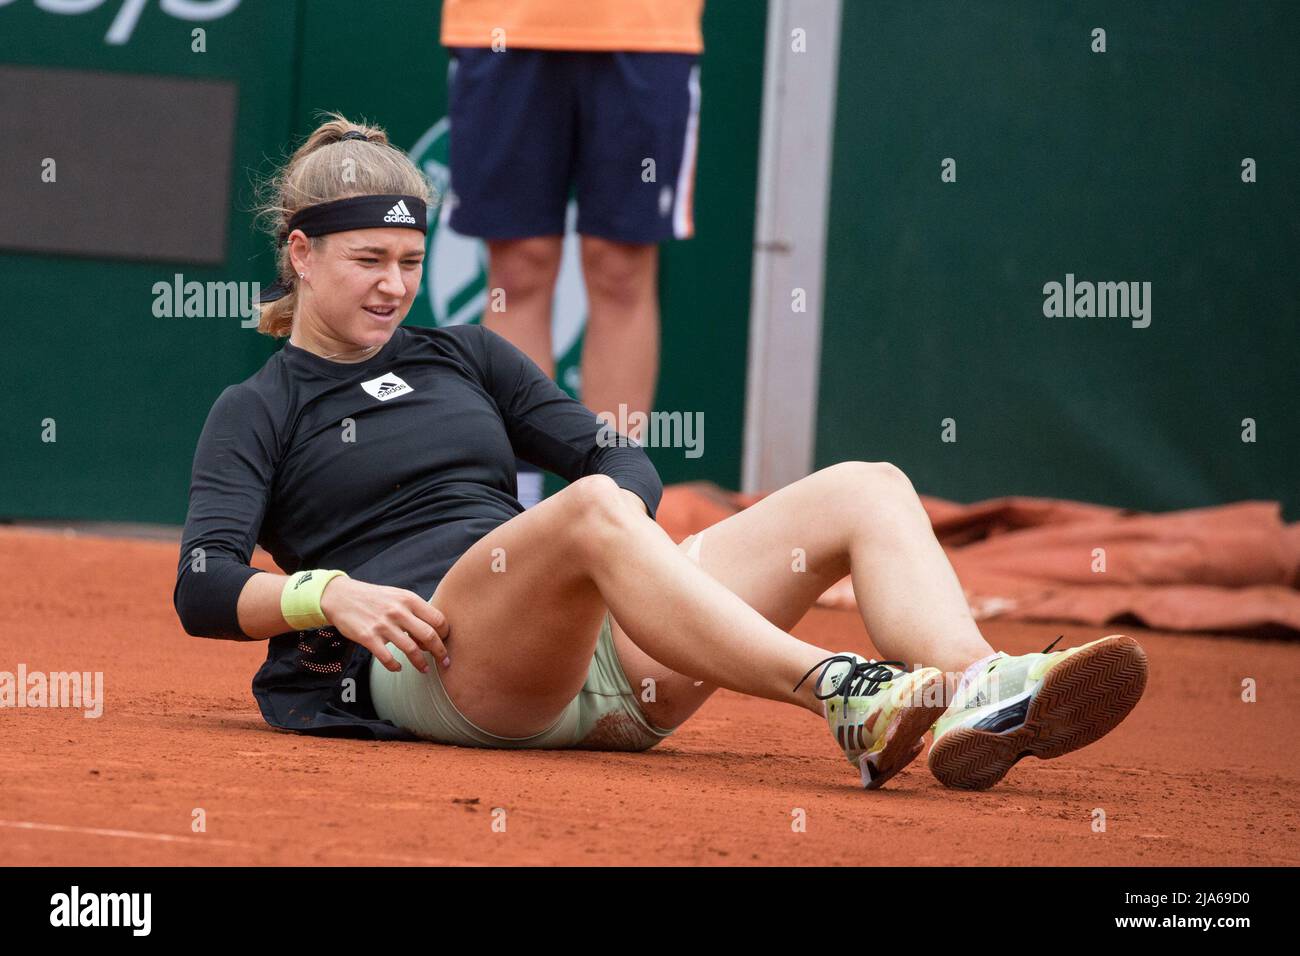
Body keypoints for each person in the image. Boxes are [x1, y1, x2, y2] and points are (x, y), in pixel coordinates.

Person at [173, 116, 1148, 791]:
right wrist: (325, 593)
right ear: (301, 255)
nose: (394, 287)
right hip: (453, 661)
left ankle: (979, 686)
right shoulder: (256, 406)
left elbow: (612, 455)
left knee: (867, 486)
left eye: (411, 264)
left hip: (610, 655)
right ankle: (843, 692)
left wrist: (638, 571)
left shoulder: (463, 352)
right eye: (367, 262)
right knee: (590, 515)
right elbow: (204, 584)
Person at [440, 0, 705, 505]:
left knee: (620, 266)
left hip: (645, 26)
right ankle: (518, 505)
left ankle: (614, 504)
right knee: (517, 267)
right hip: (505, 22)